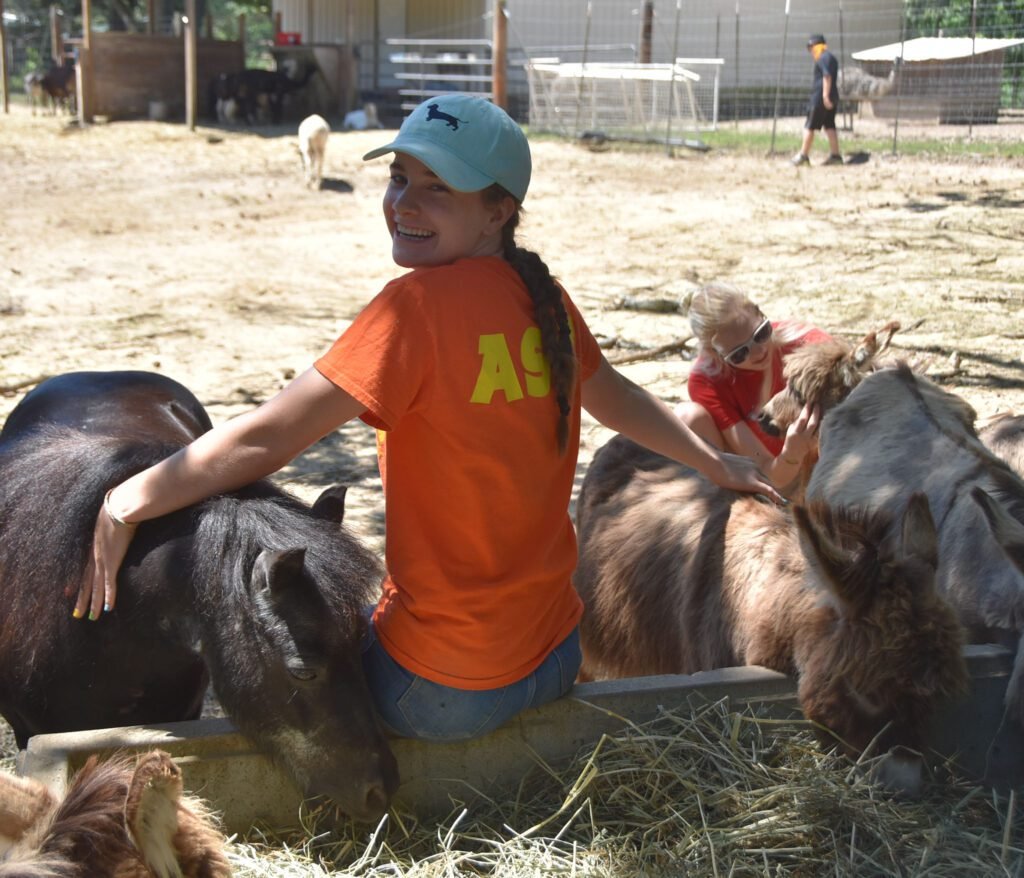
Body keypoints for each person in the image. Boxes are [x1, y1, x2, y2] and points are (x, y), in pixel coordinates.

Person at [80, 94, 781, 743]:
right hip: (557, 655)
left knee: (305, 660)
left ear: (498, 209)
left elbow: (267, 437)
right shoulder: (545, 301)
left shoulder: (410, 311)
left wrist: (128, 499)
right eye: (398, 178)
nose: (403, 203)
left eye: (437, 188)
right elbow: (620, 398)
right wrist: (715, 464)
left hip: (444, 692)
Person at [675, 282, 828, 496]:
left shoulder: (804, 341)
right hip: (767, 477)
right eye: (739, 353)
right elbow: (769, 474)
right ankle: (723, 504)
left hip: (824, 467)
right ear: (715, 354)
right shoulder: (707, 380)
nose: (758, 352)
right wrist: (793, 453)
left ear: (761, 314)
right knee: (688, 418)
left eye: (761, 333)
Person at [792, 33, 843, 167]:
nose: (810, 51)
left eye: (811, 47)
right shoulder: (831, 57)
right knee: (829, 125)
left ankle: (803, 155)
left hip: (821, 98)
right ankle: (836, 155)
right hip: (832, 95)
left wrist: (825, 96)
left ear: (816, 45)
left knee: (809, 126)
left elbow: (827, 77)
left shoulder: (822, 58)